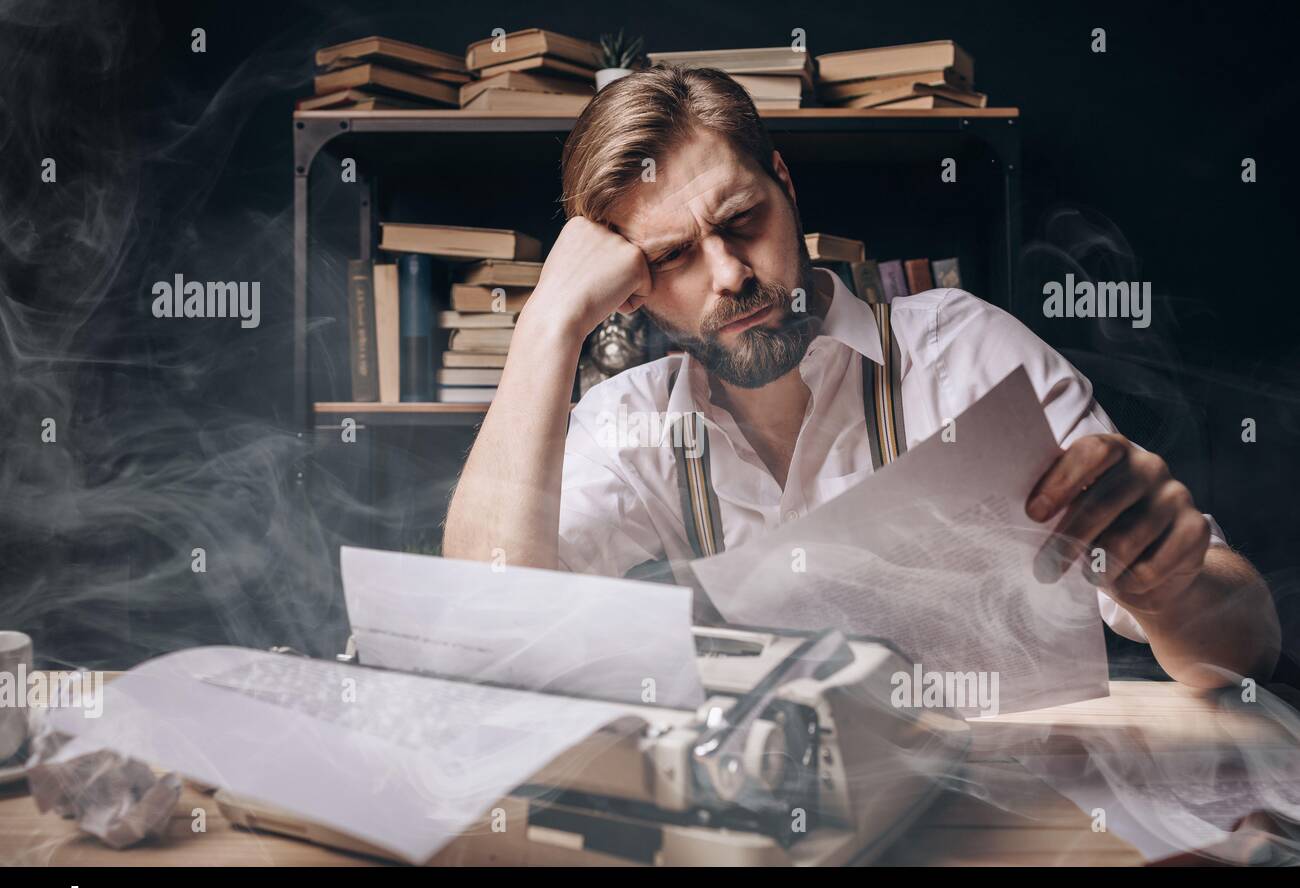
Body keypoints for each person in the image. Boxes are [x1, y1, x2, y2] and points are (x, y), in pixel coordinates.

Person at [443, 65, 1279, 689]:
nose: (729, 274)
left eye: (742, 221)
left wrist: (1170, 589)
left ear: (788, 189)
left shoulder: (969, 355)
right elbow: (491, 630)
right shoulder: (634, 426)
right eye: (672, 257)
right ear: (631, 286)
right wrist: (549, 324)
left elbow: (1243, 655)